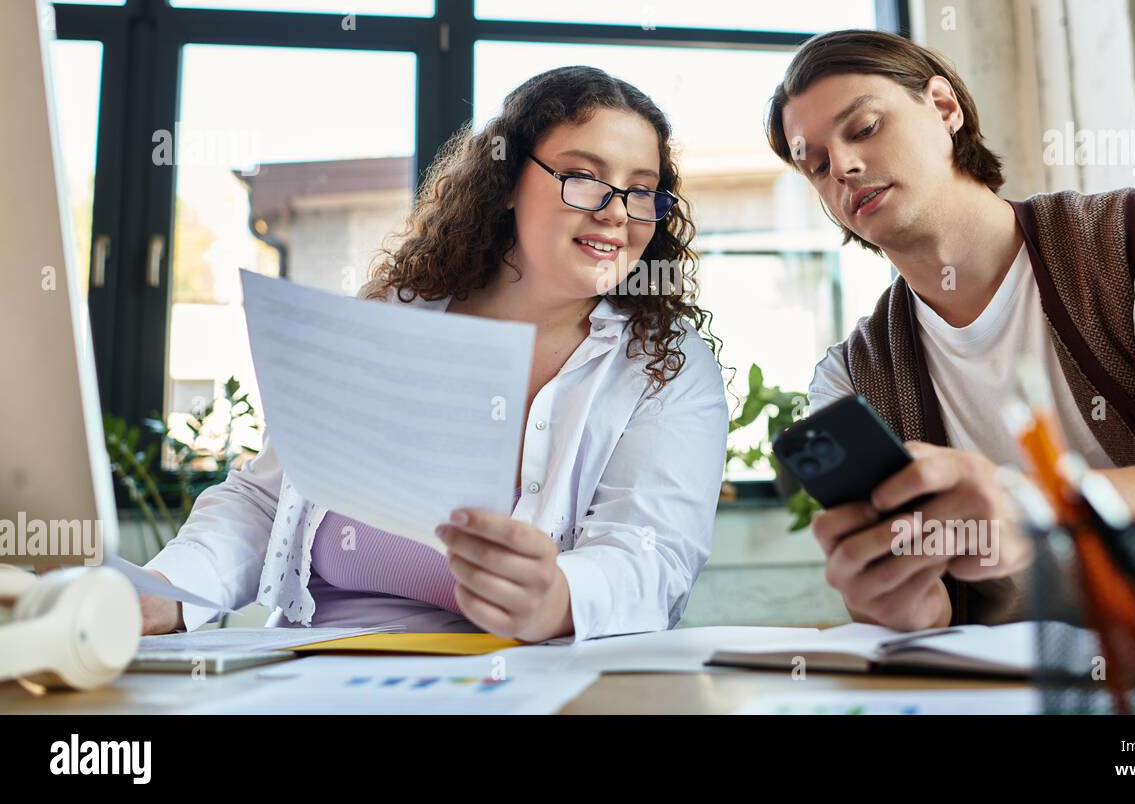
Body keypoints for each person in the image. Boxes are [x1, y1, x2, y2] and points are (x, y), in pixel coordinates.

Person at [140, 66, 729, 642]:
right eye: (582, 176)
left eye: (643, 190)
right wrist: (163, 593)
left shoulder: (665, 364)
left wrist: (557, 597)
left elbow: (654, 554)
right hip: (313, 666)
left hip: (514, 679)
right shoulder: (390, 316)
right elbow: (264, 501)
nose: (616, 211)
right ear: (506, 184)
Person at [766, 29, 1135, 630]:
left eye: (863, 128)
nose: (842, 166)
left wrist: (1045, 508)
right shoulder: (852, 377)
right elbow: (929, 616)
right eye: (814, 163)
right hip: (1027, 689)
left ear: (945, 109)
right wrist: (892, 599)